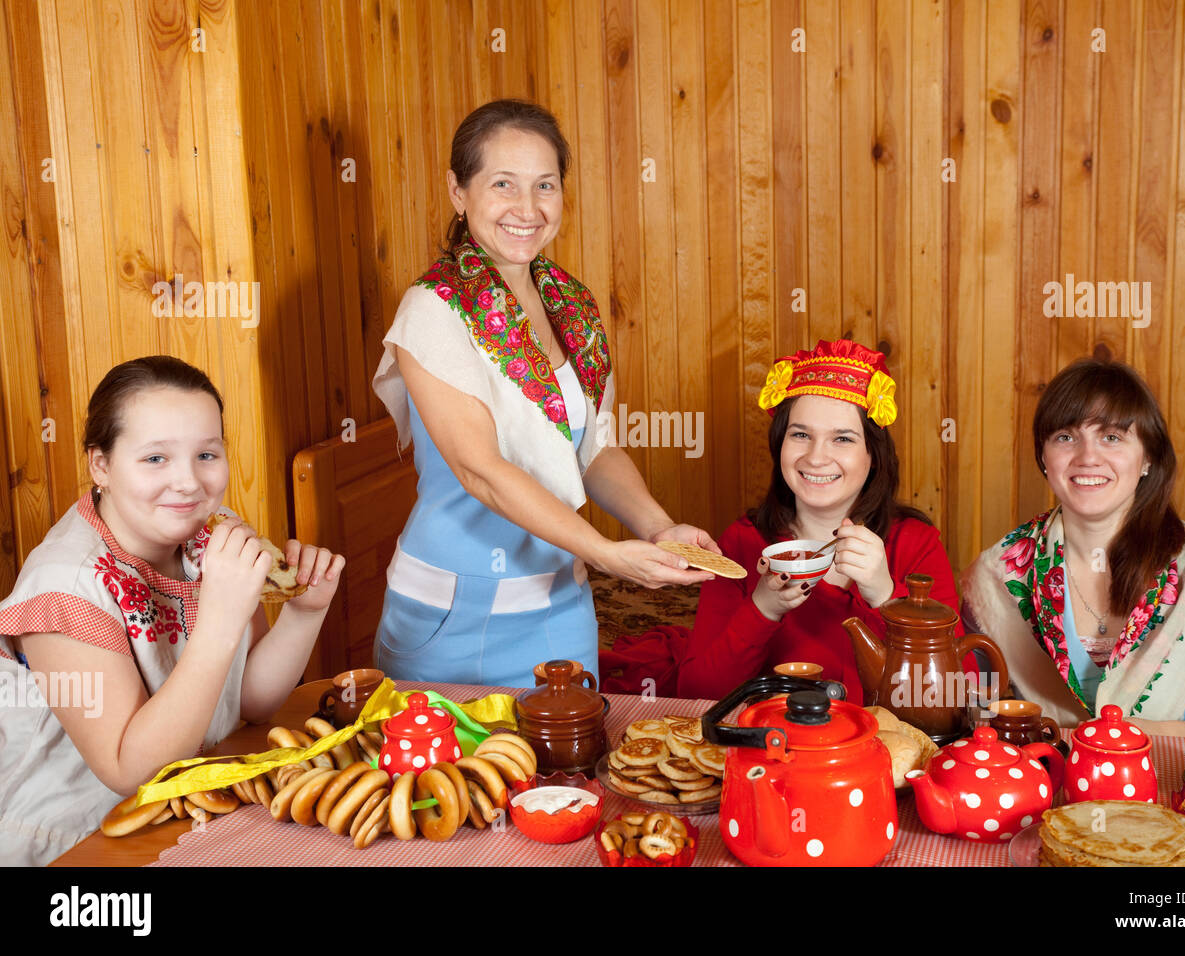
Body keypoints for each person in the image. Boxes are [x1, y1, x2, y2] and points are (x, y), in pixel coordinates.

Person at [371, 99, 716, 690]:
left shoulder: (571, 304)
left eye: (545, 185)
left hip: (561, 604)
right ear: (460, 192)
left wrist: (656, 528)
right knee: (451, 783)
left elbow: (595, 450)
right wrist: (610, 554)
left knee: (571, 781)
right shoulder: (433, 309)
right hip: (453, 613)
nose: (526, 209)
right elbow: (480, 471)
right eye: (502, 184)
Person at [0, 356, 345, 865]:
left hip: (198, 807)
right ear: (101, 465)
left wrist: (305, 613)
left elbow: (246, 701)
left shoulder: (212, 530)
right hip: (84, 840)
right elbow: (129, 771)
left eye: (206, 454)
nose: (187, 482)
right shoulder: (65, 587)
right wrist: (221, 622)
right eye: (155, 458)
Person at [962, 359, 1185, 740]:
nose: (1088, 457)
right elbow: (969, 710)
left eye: (1111, 437)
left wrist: (1141, 734)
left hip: (1166, 779)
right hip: (1043, 781)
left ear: (1147, 457)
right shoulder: (996, 575)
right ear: (1043, 458)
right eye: (1065, 437)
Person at [675, 339, 964, 704]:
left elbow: (953, 695)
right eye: (800, 435)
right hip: (774, 749)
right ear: (780, 444)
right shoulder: (739, 543)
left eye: (842, 439)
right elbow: (696, 695)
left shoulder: (916, 544)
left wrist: (885, 597)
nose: (816, 457)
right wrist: (763, 609)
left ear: (873, 455)